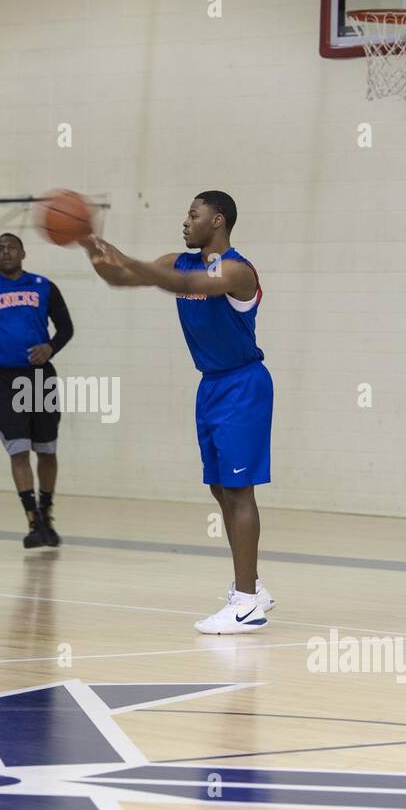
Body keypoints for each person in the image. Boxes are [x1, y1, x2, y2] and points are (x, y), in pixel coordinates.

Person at [82, 191, 274, 634]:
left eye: (193, 215)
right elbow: (119, 278)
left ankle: (245, 603)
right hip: (210, 385)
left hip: (243, 384)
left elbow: (184, 286)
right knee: (221, 491)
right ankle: (253, 588)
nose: (185, 222)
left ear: (218, 221)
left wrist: (133, 260)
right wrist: (89, 243)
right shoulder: (180, 261)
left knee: (240, 491)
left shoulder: (236, 270)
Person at [0, 232, 74, 547]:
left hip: (38, 376)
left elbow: (66, 327)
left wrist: (50, 347)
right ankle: (33, 521)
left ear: (23, 252)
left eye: (11, 247)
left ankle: (47, 513)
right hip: (1, 378)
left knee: (47, 449)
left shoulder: (43, 287)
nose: (5, 251)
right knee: (18, 448)